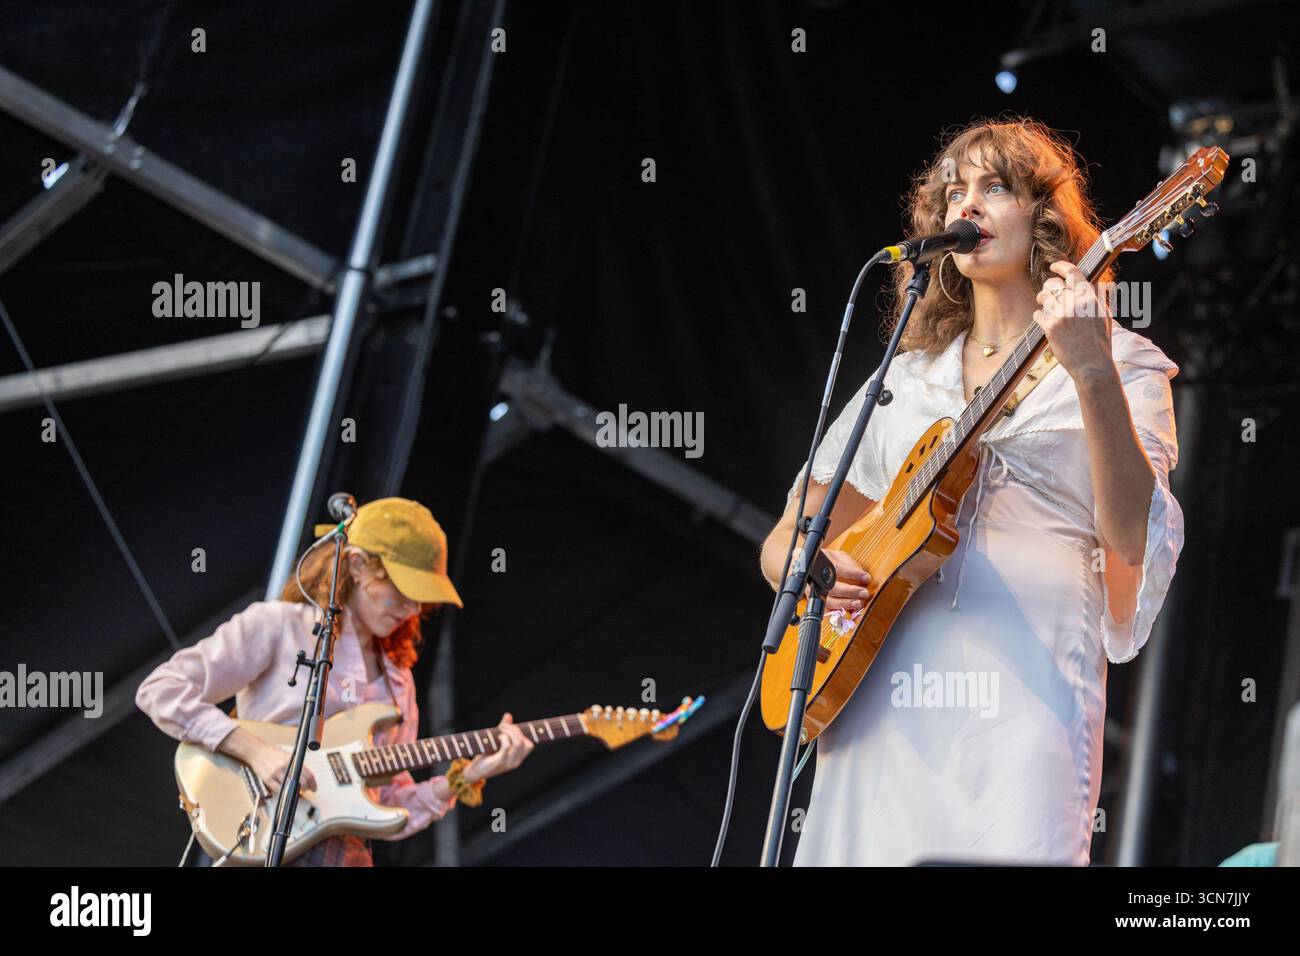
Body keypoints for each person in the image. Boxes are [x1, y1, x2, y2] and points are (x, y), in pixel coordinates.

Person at [760, 117, 1184, 866]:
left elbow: (1131, 538)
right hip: (875, 687)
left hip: (1025, 698)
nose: (970, 206)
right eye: (955, 191)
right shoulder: (905, 378)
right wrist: (811, 568)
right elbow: (793, 532)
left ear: (1046, 216)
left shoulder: (1125, 361)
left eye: (996, 187)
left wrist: (1090, 373)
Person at [136, 496, 534, 866]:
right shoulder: (279, 626)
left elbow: (390, 801)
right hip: (261, 833)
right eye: (404, 590)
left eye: (421, 598)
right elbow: (162, 690)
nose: (414, 607)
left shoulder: (400, 683)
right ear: (358, 565)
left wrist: (467, 777)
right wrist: (256, 752)